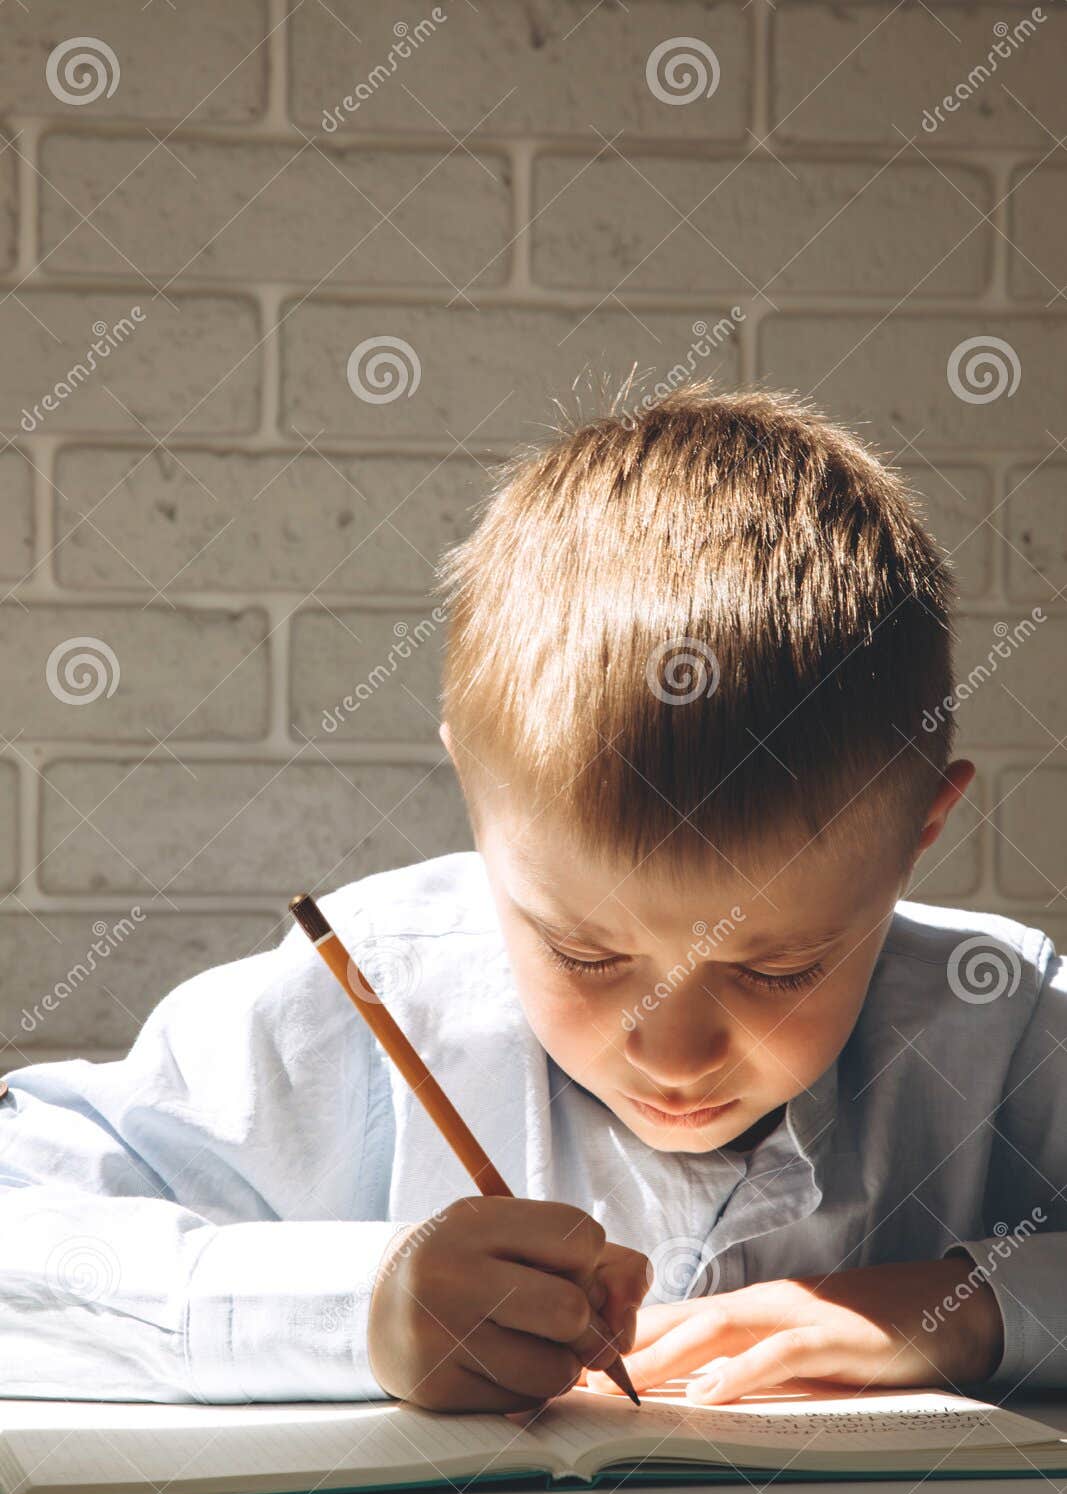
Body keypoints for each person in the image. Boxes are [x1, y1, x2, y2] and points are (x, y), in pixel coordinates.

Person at [2, 384, 1062, 1416]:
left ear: (921, 829)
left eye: (775, 967)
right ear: (473, 796)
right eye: (585, 954)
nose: (674, 1051)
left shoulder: (1007, 1025)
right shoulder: (351, 1011)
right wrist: (361, 1310)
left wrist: (968, 1307)